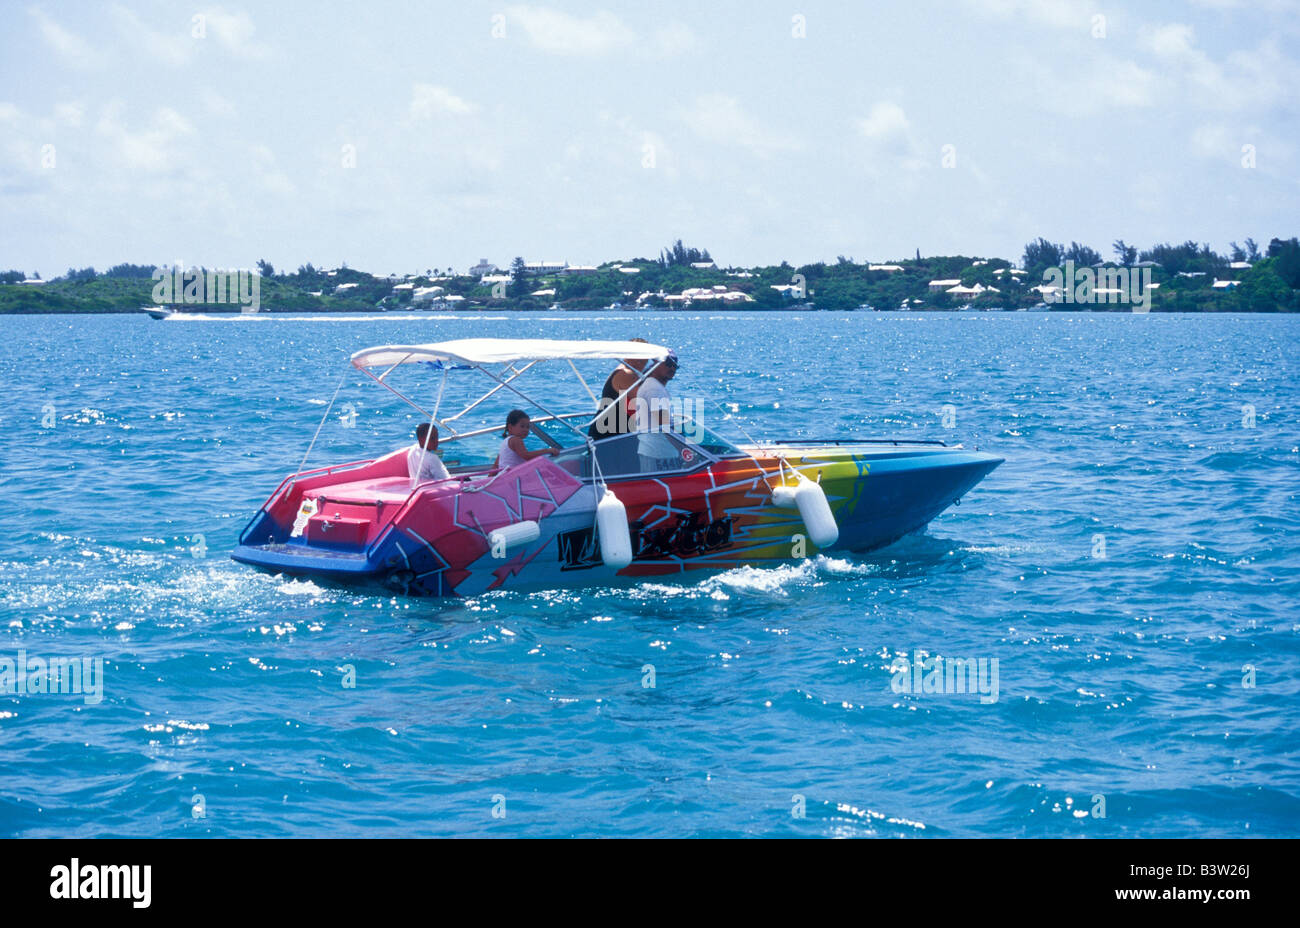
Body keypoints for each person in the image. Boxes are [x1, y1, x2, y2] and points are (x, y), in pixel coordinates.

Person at [588, 337, 649, 440]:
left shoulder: (624, 370)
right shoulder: (626, 374)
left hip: (612, 433)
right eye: (637, 357)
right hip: (609, 436)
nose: (641, 362)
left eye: (644, 358)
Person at [632, 350, 680, 472]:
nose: (672, 368)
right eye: (668, 363)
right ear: (654, 364)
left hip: (655, 452)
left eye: (675, 365)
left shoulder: (653, 386)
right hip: (657, 455)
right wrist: (686, 450)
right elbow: (664, 425)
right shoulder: (654, 389)